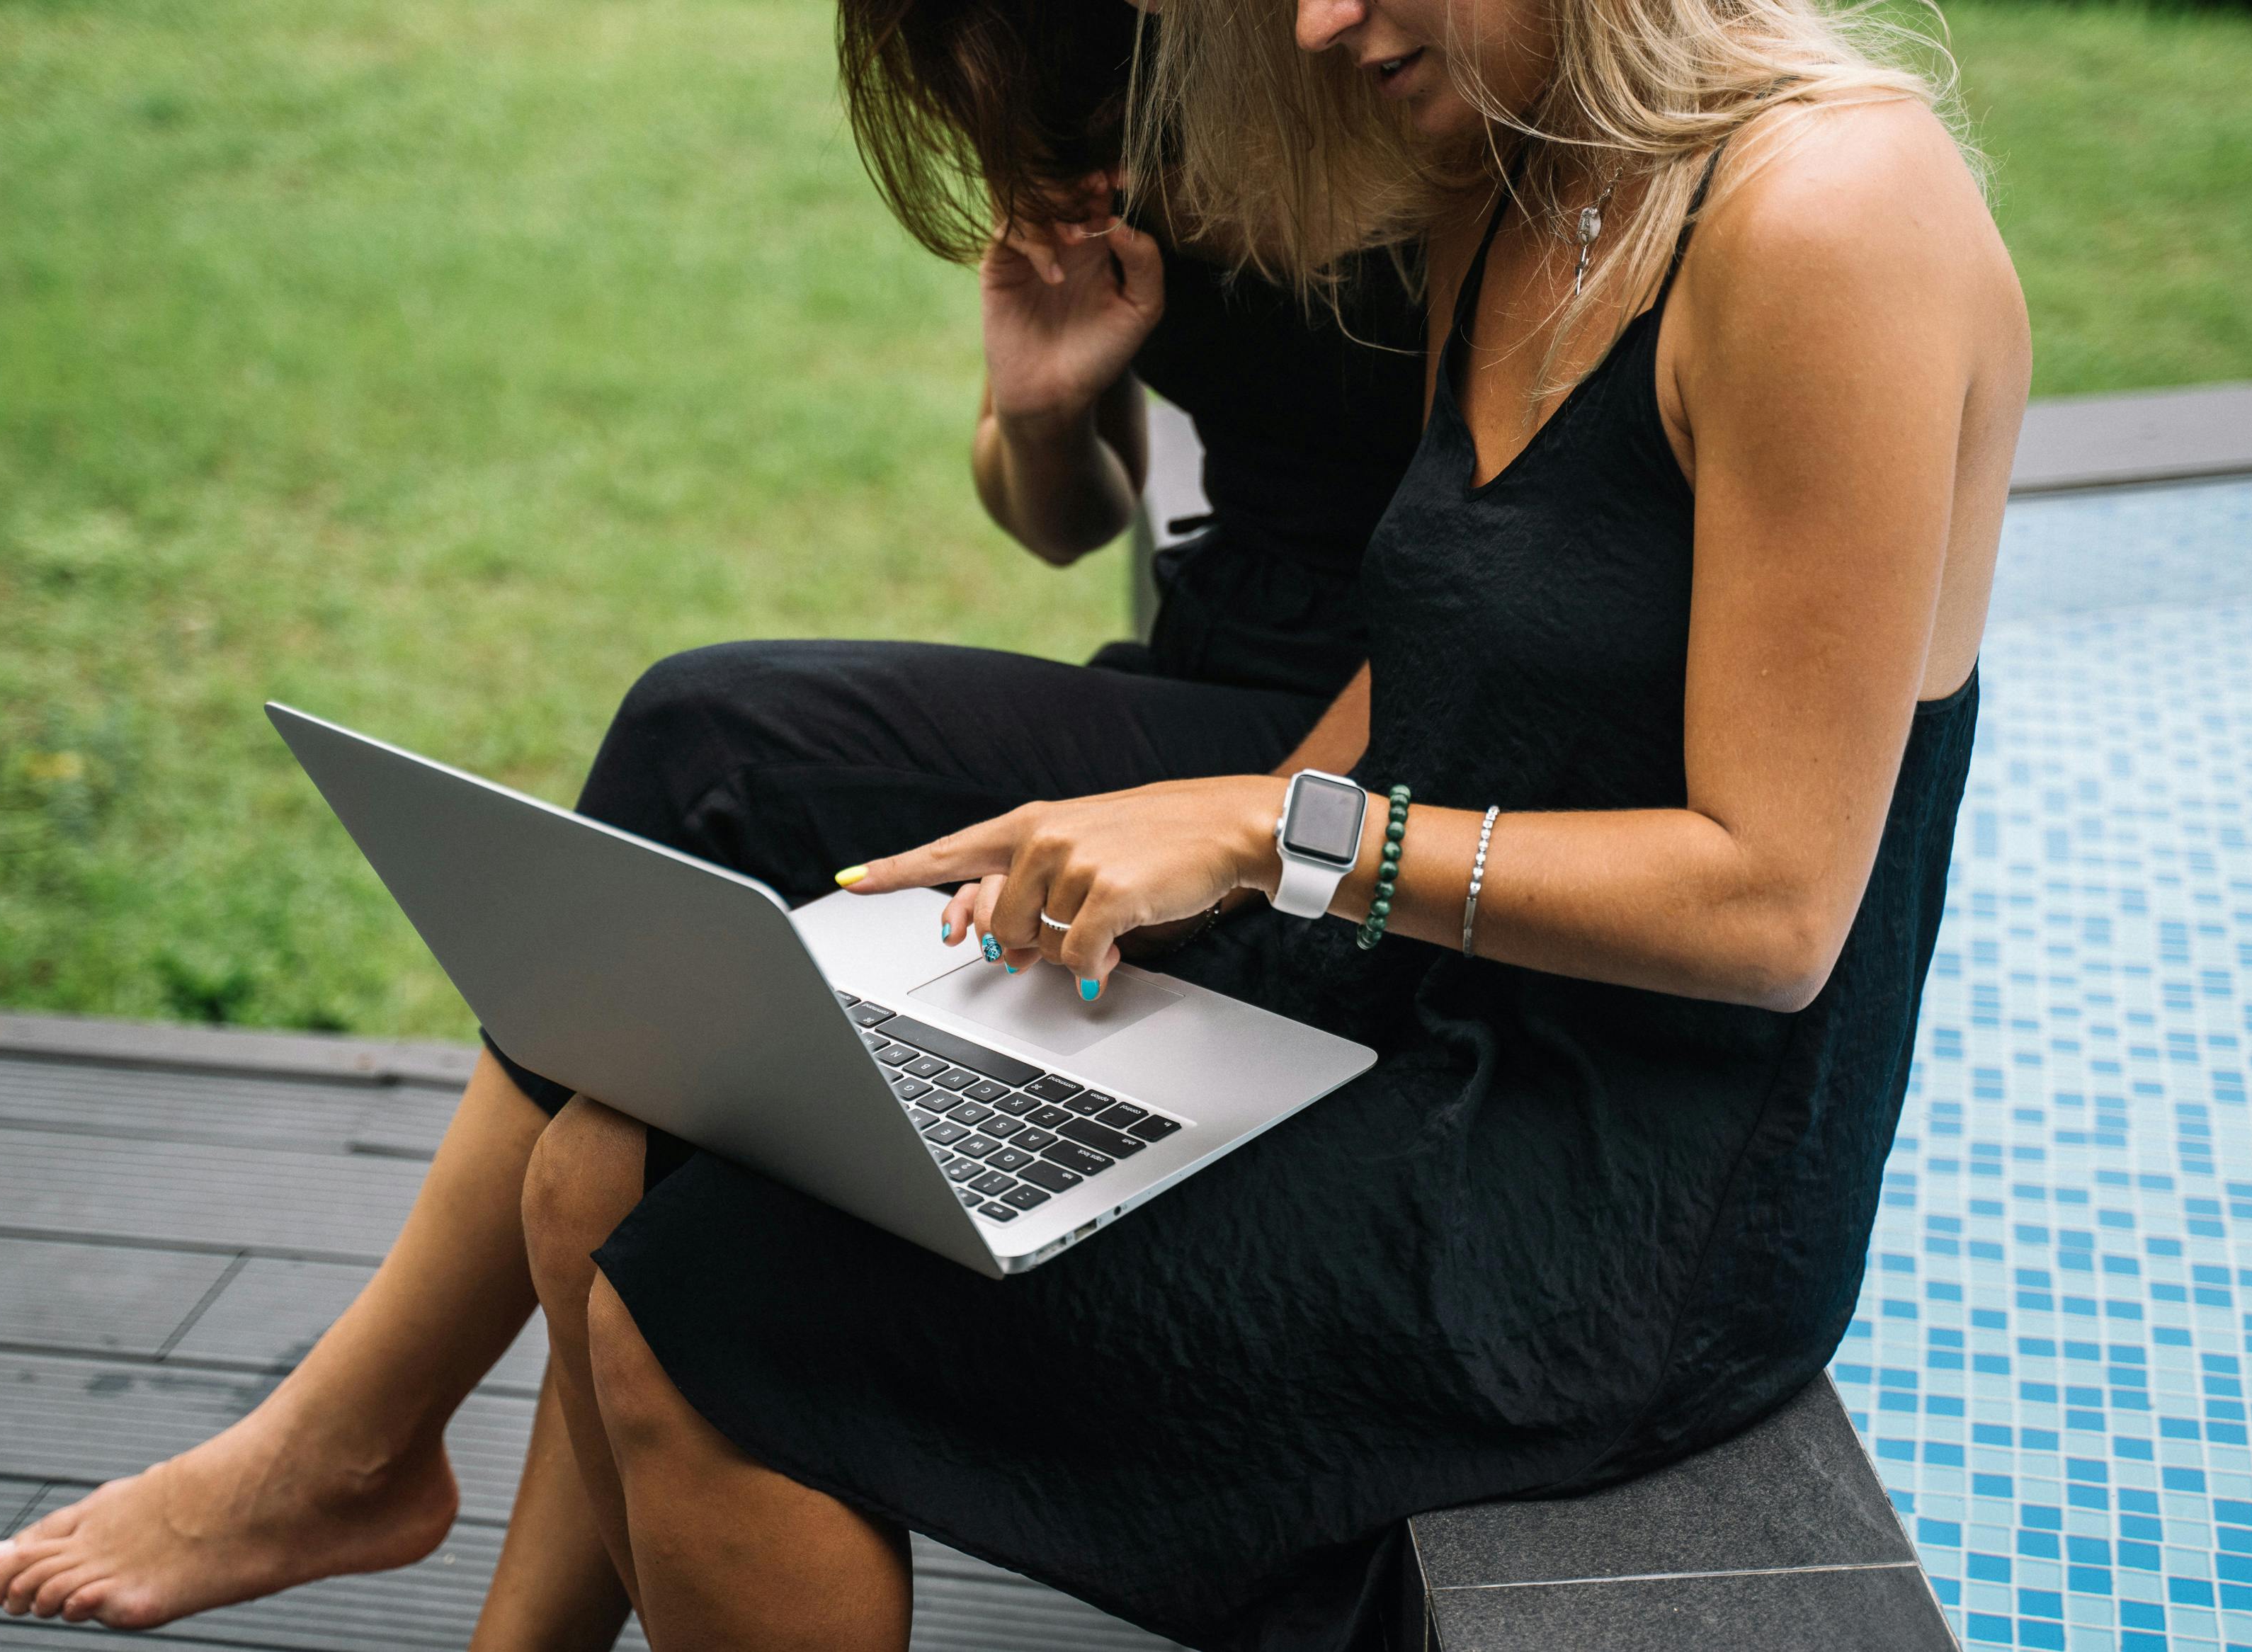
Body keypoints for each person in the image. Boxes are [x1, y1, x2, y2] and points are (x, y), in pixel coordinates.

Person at [505, 0, 2029, 1642]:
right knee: (602, 1165)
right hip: (1400, 1007)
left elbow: (1773, 911)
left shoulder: (1831, 215)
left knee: (714, 1309)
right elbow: (1438, 635)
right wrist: (1171, 870)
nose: (1314, 22)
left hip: (1619, 1188)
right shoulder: (1509, 177)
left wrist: (1269, 837)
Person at [0, 0, 1425, 1639]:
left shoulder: (1375, 72)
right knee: (613, 1142)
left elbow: (1491, 586)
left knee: (713, 751)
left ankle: (349, 1442)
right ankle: (409, 1519)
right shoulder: (1089, 92)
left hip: (1360, 736)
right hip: (1206, 667)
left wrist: (1251, 833)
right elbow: (1065, 522)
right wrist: (1036, 406)